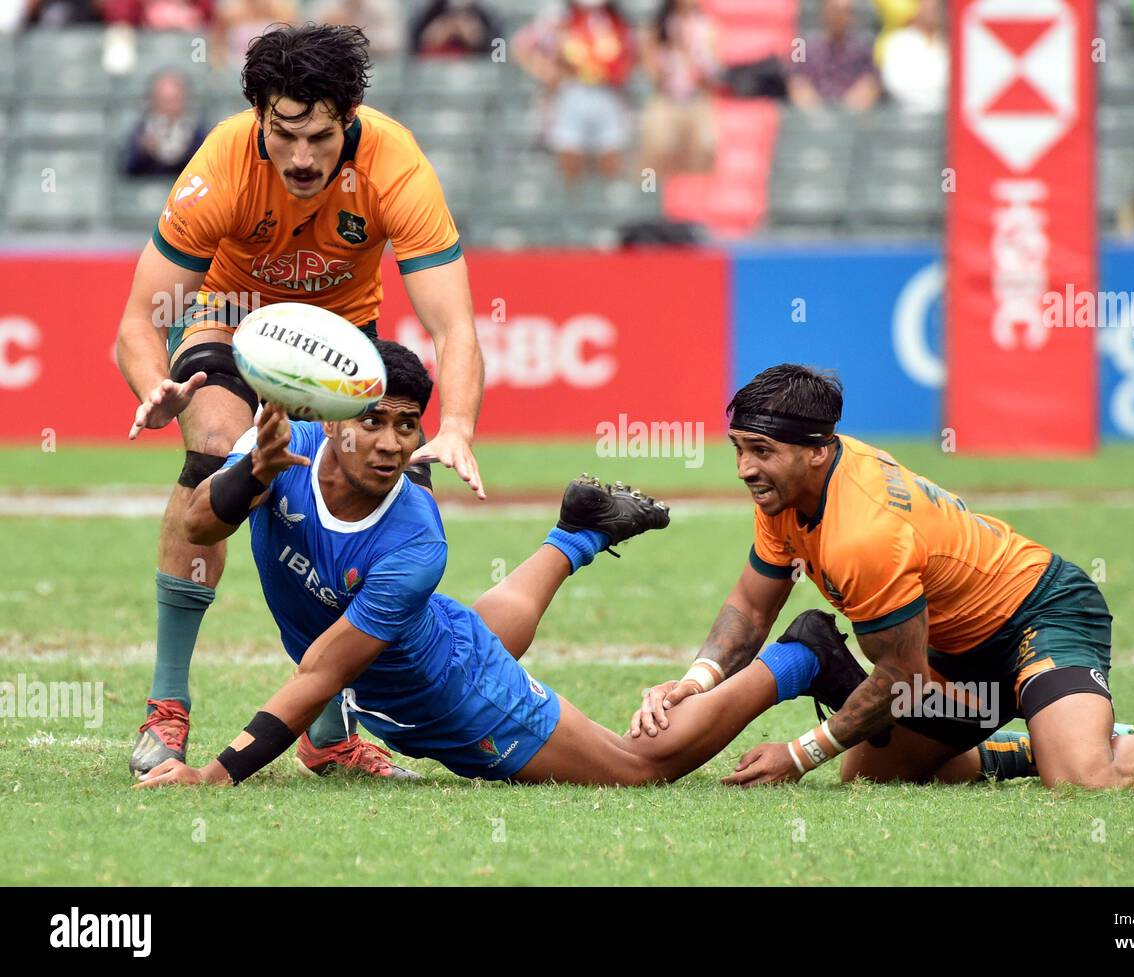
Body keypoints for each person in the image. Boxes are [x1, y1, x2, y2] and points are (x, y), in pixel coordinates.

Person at [134, 341, 797, 790]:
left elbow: (320, 674)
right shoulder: (277, 442)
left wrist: (214, 775)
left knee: (640, 765)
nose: (394, 443)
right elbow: (197, 524)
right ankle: (575, 534)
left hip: (458, 702)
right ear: (333, 420)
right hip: (415, 654)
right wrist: (251, 473)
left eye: (408, 424)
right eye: (374, 420)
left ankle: (799, 658)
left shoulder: (416, 543)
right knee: (457, 631)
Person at [629, 364, 1134, 792]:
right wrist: (692, 680)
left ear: (818, 451)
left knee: (1086, 780)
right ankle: (1036, 744)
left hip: (1039, 612)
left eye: (761, 451)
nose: (745, 468)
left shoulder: (863, 530)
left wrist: (801, 753)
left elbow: (899, 677)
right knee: (876, 776)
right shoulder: (789, 486)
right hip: (951, 649)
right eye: (739, 450)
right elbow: (750, 608)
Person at [115, 23, 486, 780]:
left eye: (320, 135)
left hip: (340, 344)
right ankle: (167, 707)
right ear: (259, 116)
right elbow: (136, 321)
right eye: (284, 134)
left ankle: (326, 730)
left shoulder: (396, 165)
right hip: (230, 318)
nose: (303, 157)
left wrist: (457, 428)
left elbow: (454, 325)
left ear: (349, 117)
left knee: (352, 508)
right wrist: (153, 384)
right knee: (219, 457)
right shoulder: (221, 163)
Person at [514, 0, 637, 184]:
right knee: (570, 163)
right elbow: (520, 45)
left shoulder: (615, 19)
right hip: (571, 94)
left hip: (608, 94)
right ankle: (572, 208)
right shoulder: (559, 17)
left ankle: (606, 208)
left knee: (611, 163)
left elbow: (632, 53)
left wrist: (621, 72)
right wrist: (547, 71)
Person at [640, 0, 719, 177]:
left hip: (697, 100)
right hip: (666, 99)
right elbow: (651, 69)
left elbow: (714, 68)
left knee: (701, 155)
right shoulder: (659, 26)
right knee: (659, 155)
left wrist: (694, 61)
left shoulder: (706, 26)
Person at [787, 0, 880, 113]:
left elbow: (870, 83)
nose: (841, 17)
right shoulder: (802, 48)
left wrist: (849, 111)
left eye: (848, 12)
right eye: (836, 11)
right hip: (815, 119)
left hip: (853, 118)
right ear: (824, 13)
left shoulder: (864, 50)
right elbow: (797, 82)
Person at [123, 71, 207, 179]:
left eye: (175, 100)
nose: (170, 108)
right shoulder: (140, 132)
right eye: (164, 101)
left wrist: (188, 150)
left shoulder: (198, 133)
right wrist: (144, 152)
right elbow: (128, 171)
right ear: (153, 101)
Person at [877, 0, 946, 115]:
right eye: (927, 8)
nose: (932, 13)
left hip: (944, 117)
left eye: (936, 9)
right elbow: (894, 83)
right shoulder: (897, 41)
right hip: (906, 114)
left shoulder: (950, 42)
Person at [410, 0, 501, 58]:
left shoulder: (484, 14)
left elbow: (497, 52)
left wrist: (477, 37)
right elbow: (415, 47)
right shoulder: (430, 11)